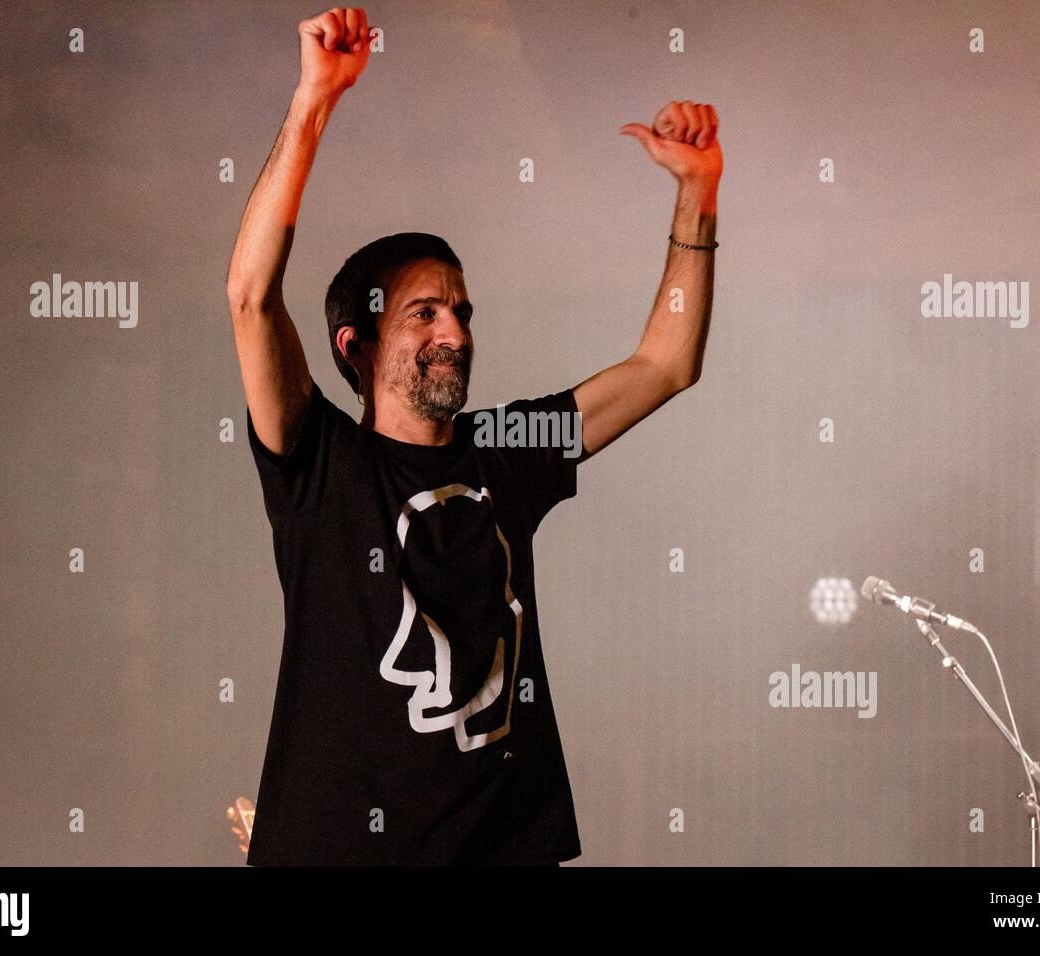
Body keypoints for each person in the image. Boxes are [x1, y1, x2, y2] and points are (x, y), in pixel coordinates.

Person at [226, 6, 721, 866]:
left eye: (460, 311)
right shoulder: (322, 461)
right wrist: (314, 99)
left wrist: (697, 193)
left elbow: (666, 363)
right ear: (359, 344)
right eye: (424, 313)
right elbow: (249, 296)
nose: (454, 331)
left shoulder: (504, 450)